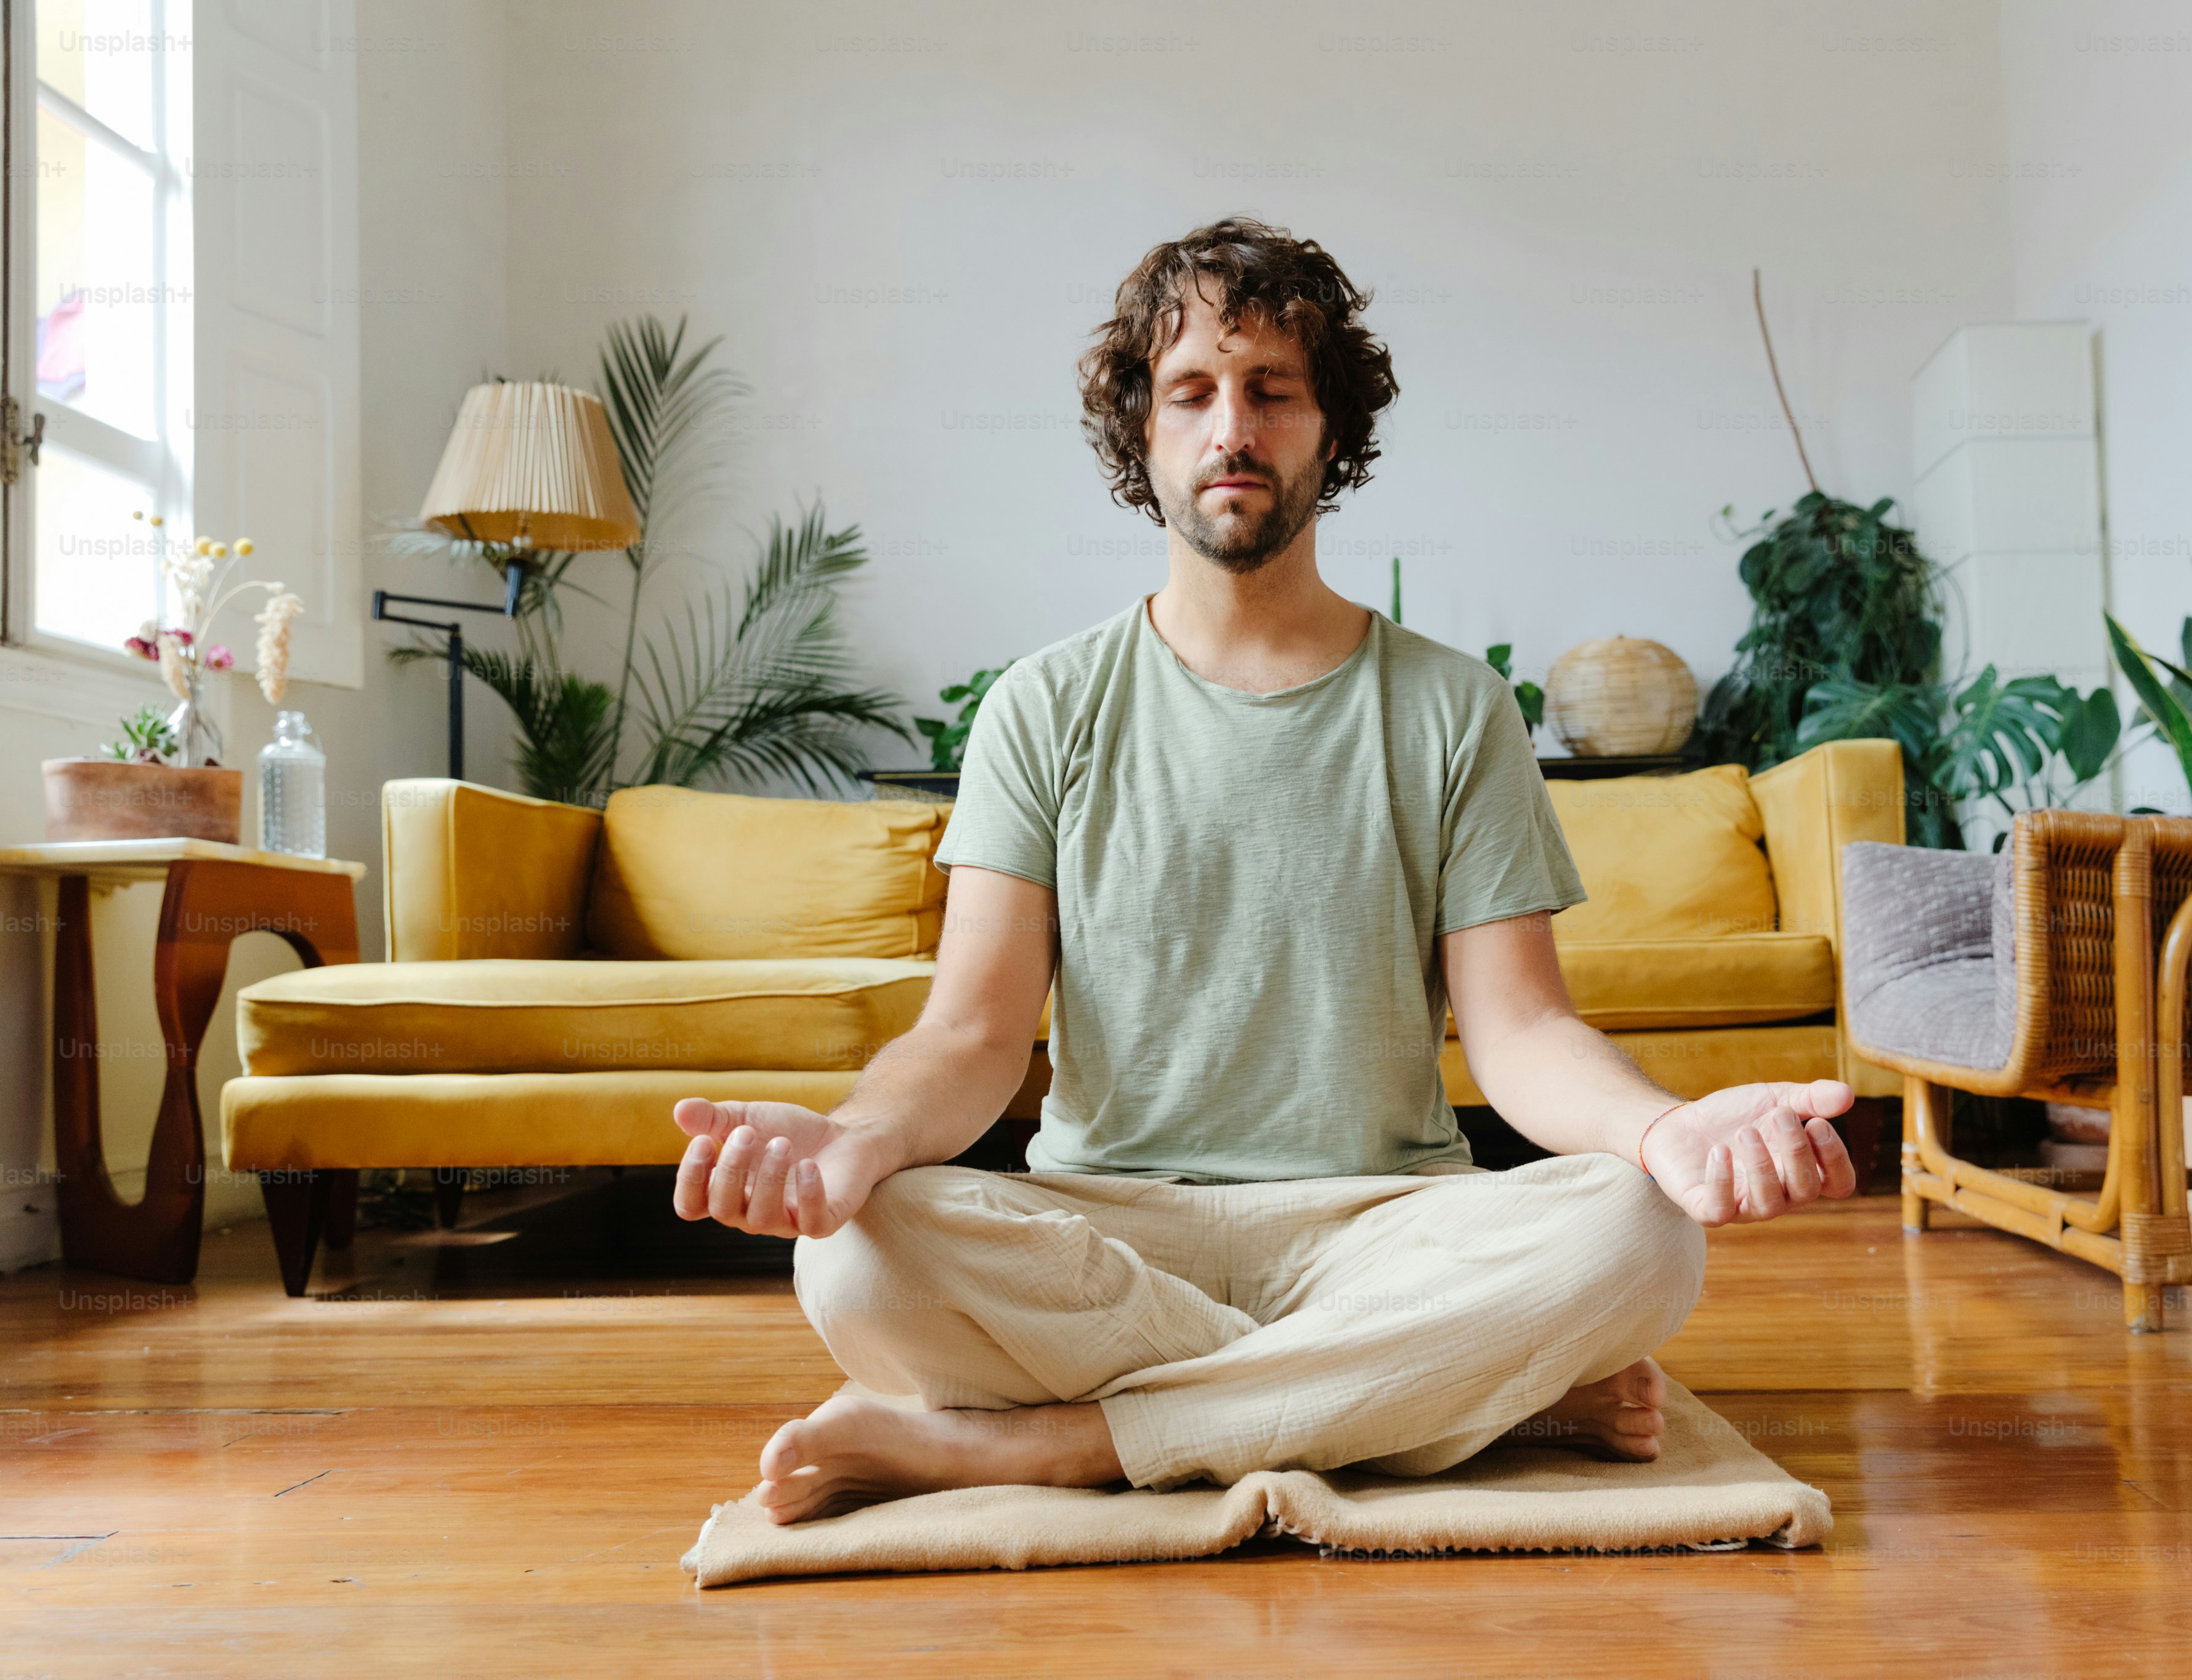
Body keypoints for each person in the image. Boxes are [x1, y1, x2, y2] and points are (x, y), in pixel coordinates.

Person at [671, 217, 1857, 1525]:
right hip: (1107, 1228)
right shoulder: (1043, 706)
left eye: (1271, 391)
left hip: (1386, 1223)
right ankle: (1462, 1400)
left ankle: (1049, 1447)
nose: (1230, 424)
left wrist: (1662, 1130)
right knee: (853, 1259)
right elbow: (970, 1033)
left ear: (1330, 431)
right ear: (1143, 434)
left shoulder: (1456, 708)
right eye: (1190, 392)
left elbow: (1524, 1032)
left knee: (1640, 1235)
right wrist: (851, 1141)